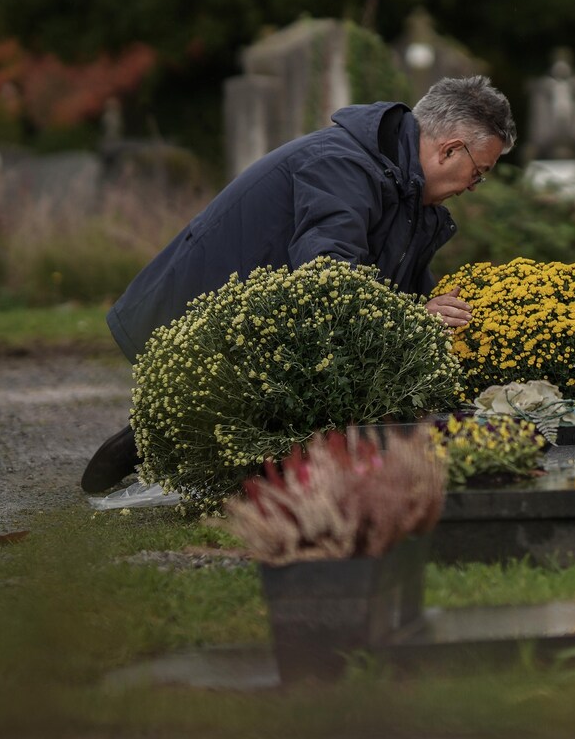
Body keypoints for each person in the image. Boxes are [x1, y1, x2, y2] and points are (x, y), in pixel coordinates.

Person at [79, 75, 514, 494]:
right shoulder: (342, 164)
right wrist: (417, 319)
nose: (475, 187)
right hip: (198, 321)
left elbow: (396, 285)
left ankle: (183, 431)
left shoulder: (407, 188)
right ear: (450, 150)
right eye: (479, 172)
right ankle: (165, 430)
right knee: (263, 458)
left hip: (267, 323)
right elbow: (327, 280)